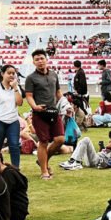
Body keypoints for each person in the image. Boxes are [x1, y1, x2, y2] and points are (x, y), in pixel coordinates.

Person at [25, 49, 64, 180]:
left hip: (54, 112)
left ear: (46, 59)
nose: (40, 61)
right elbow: (29, 96)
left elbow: (58, 92)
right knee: (43, 142)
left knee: (60, 140)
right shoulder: (31, 78)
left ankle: (43, 160)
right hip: (40, 113)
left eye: (42, 58)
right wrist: (35, 106)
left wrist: (65, 105)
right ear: (33, 62)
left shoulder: (54, 74)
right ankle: (44, 171)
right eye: (37, 59)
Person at [0, 64, 24, 169]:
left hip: (13, 121)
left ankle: (15, 169)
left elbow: (20, 103)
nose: (11, 75)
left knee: (14, 145)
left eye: (13, 73)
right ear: (2, 74)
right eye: (9, 73)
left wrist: (15, 88)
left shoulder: (16, 88)